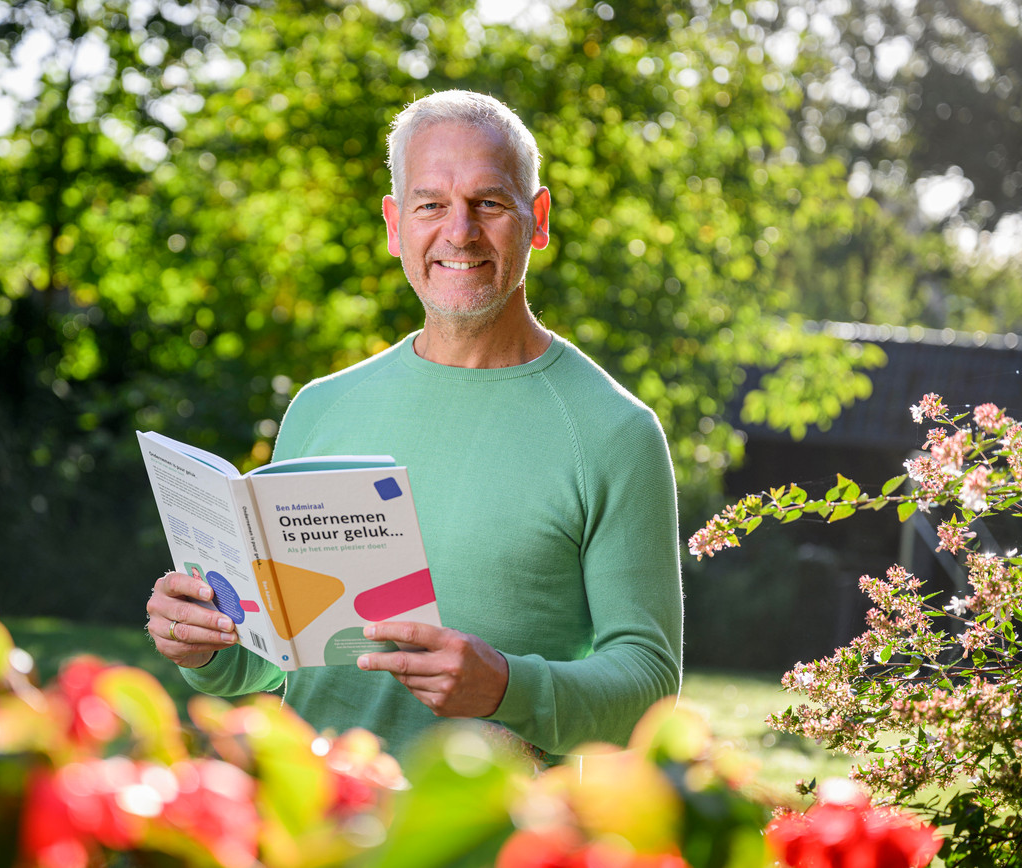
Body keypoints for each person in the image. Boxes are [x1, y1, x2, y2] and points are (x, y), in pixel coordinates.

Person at [145, 90, 682, 762]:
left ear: (538, 219)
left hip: (498, 819)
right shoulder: (321, 407)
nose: (460, 232)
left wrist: (506, 687)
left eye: (489, 203)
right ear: (395, 225)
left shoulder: (614, 432)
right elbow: (276, 658)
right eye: (430, 205)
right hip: (320, 809)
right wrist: (205, 642)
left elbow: (649, 686)